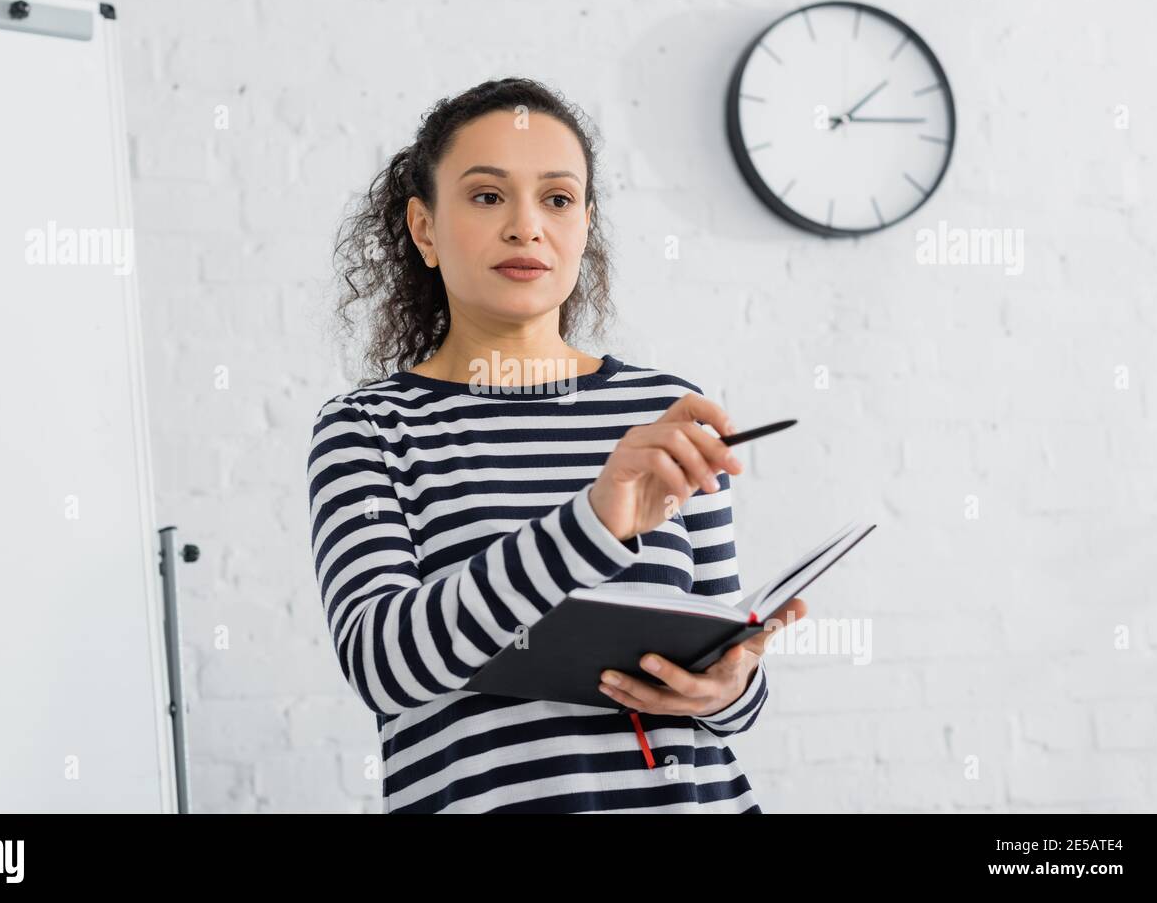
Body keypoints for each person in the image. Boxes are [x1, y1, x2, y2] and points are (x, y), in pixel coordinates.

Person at [309, 76, 805, 813]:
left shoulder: (664, 413)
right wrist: (594, 521)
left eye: (558, 198)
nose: (526, 227)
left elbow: (730, 695)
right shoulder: (370, 427)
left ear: (584, 224)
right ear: (424, 228)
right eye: (486, 196)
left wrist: (730, 685)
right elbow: (385, 666)